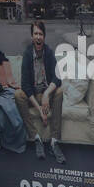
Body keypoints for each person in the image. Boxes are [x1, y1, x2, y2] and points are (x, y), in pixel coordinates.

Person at [19, 20, 65, 163]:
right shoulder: (27, 54)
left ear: (44, 37)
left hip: (46, 95)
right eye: (35, 34)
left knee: (59, 92)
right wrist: (40, 110)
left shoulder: (49, 52)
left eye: (41, 34)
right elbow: (25, 85)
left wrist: (46, 94)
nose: (38, 37)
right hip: (33, 96)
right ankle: (36, 138)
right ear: (32, 37)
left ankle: (54, 142)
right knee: (17, 95)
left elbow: (58, 78)